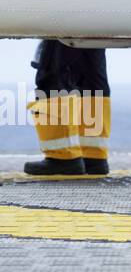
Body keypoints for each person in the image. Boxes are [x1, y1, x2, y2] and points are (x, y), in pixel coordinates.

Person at [24, 39, 110, 176]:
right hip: (97, 20)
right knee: (89, 73)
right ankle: (92, 156)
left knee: (53, 72)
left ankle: (62, 157)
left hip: (67, 20)